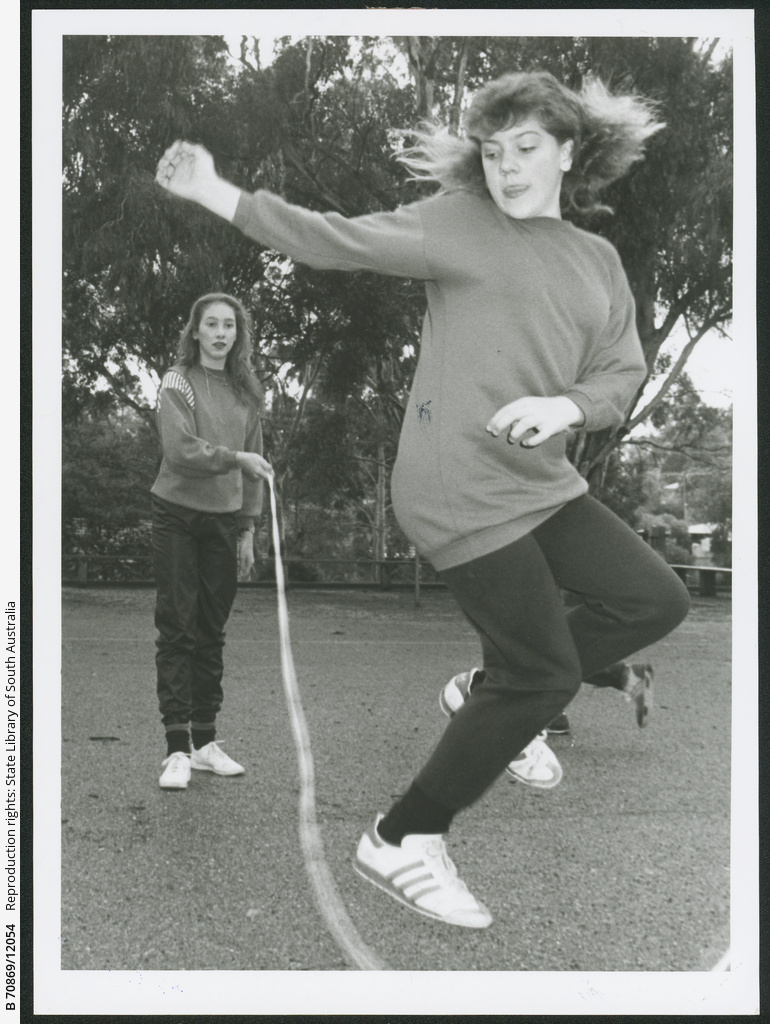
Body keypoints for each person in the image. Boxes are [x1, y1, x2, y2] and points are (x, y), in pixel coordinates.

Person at [155, 70, 690, 925]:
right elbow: (334, 239)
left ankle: (485, 682)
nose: (507, 167)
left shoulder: (599, 262)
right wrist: (215, 190)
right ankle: (404, 837)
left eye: (525, 148)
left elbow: (620, 372)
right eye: (492, 151)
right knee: (545, 670)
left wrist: (567, 406)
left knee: (653, 598)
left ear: (566, 151)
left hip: (542, 480)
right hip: (456, 480)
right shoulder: (459, 225)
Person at [151, 292, 273, 790]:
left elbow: (256, 464)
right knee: (178, 626)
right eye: (212, 325)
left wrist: (247, 530)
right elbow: (179, 451)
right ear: (195, 330)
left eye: (229, 325)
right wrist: (234, 458)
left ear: (237, 335)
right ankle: (176, 750)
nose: (221, 333)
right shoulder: (177, 380)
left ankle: (205, 743)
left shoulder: (247, 393)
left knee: (211, 631)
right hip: (176, 515)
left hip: (224, 522)